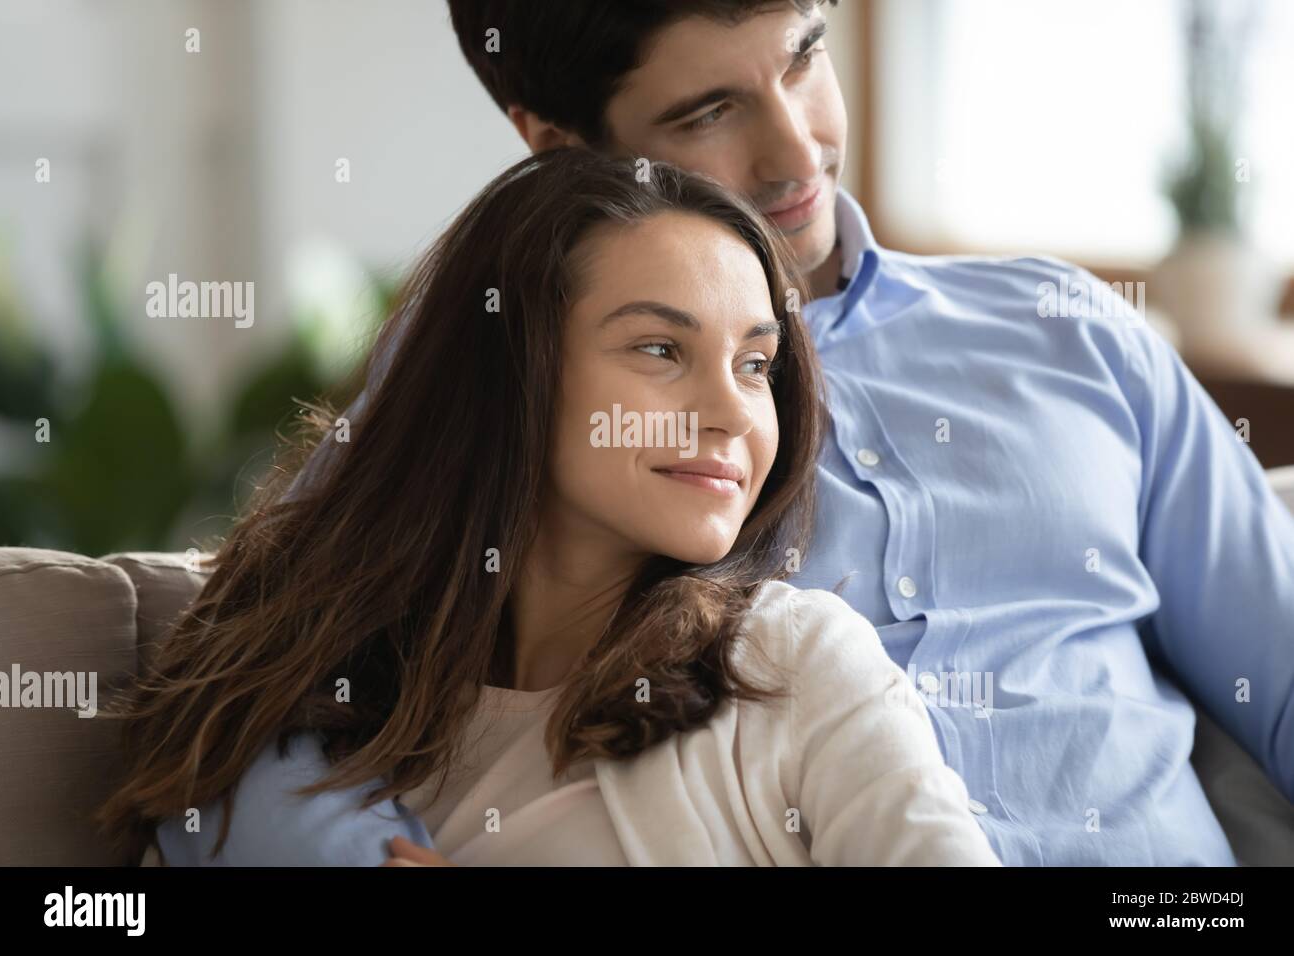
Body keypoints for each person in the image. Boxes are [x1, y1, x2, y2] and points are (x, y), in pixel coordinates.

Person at [289, 0, 1294, 866]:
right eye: (711, 110)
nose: (796, 149)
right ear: (559, 146)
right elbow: (268, 667)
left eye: (804, 55)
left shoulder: (1068, 331)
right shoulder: (520, 375)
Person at [97, 147, 1002, 867]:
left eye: (755, 365)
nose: (732, 413)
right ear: (510, 379)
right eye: (658, 349)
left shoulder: (797, 664)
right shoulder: (309, 713)